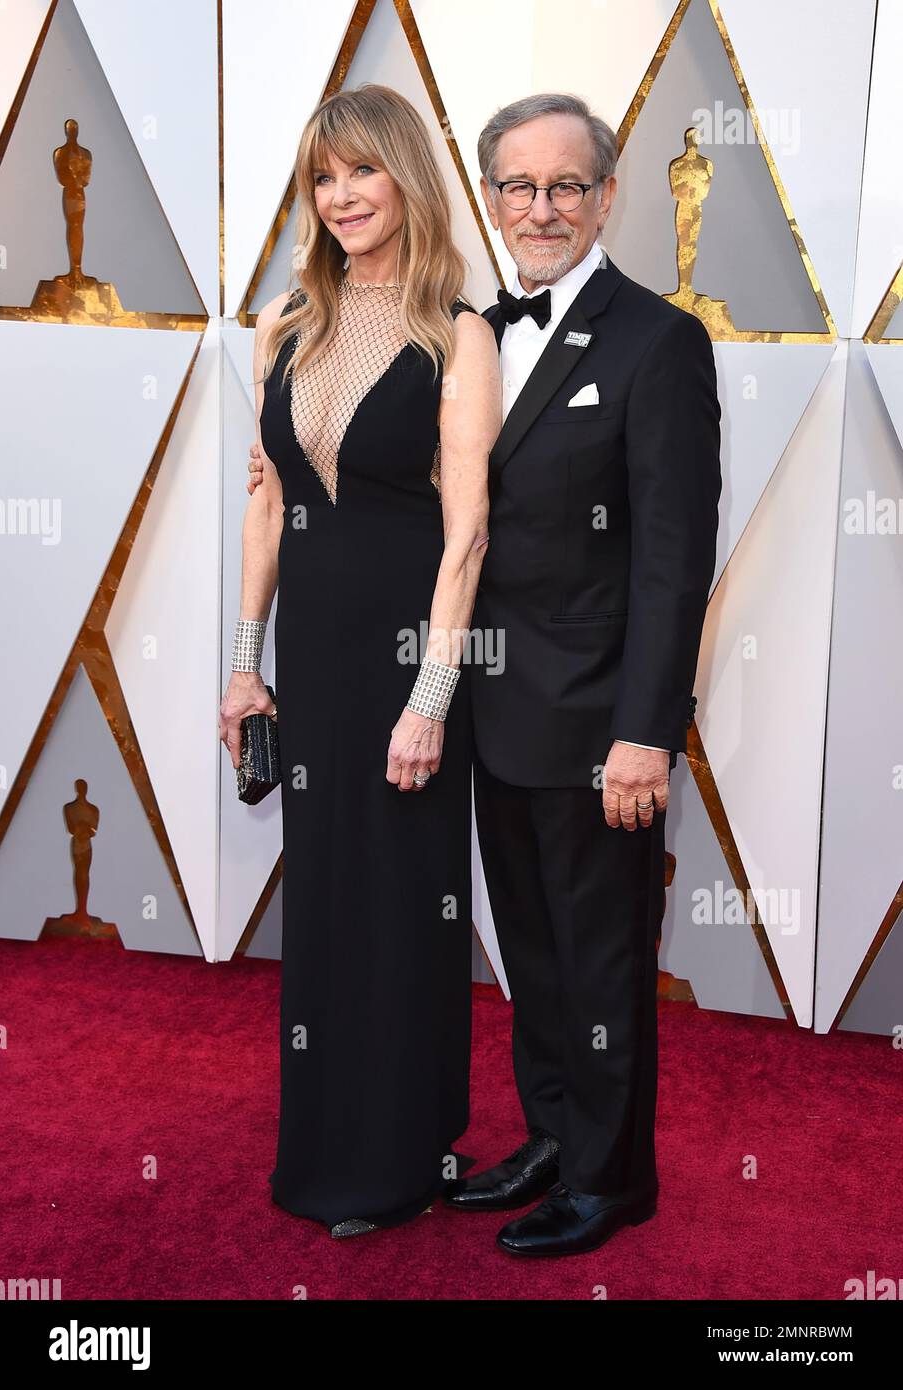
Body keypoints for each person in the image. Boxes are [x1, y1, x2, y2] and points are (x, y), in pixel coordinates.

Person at [221, 82, 500, 1238]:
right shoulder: (285, 320)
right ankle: (329, 1143)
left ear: (405, 181)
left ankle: (400, 1154)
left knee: (404, 906)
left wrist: (430, 697)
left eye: (361, 173)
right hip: (314, 659)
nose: (340, 196)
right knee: (329, 901)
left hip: (408, 658)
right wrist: (244, 662)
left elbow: (468, 529)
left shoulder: (458, 334)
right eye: (322, 178)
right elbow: (266, 499)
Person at [445, 92, 722, 1256]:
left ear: (607, 196)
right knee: (535, 959)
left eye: (566, 185)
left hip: (603, 731)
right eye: (517, 186)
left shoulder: (661, 343)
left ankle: (613, 1179)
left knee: (603, 964)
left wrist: (645, 732)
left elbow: (672, 560)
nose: (540, 208)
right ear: (491, 200)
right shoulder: (472, 333)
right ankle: (556, 1135)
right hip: (496, 716)